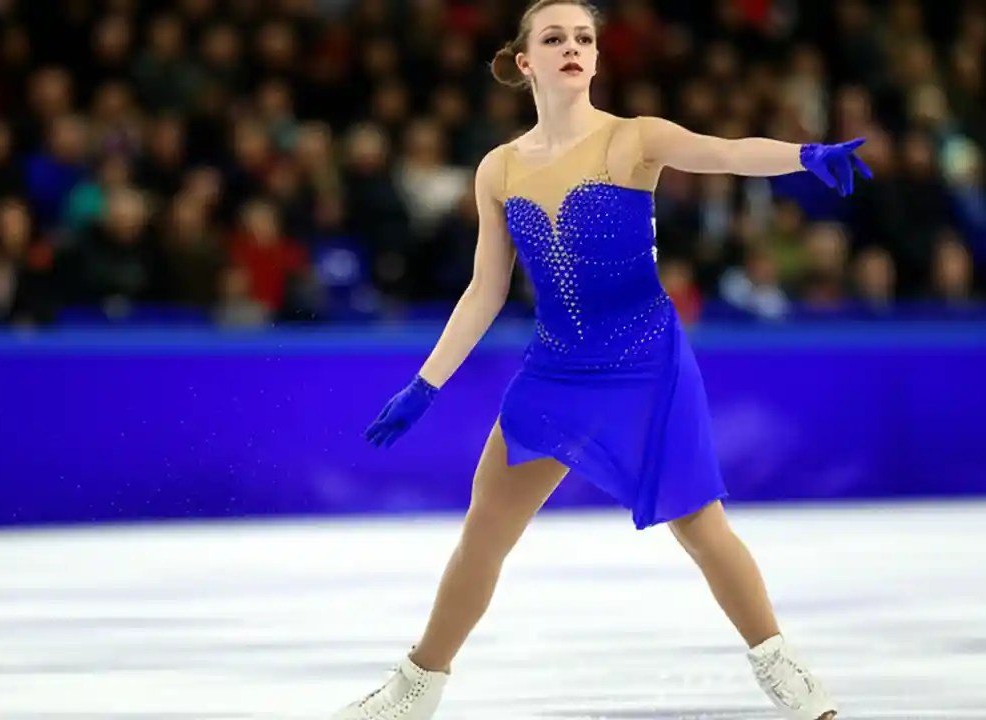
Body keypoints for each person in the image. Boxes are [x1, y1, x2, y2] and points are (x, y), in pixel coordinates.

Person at [333, 2, 870, 719]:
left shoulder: (632, 139)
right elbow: (485, 290)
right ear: (525, 62)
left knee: (699, 524)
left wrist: (803, 156)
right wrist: (424, 386)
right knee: (484, 530)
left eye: (583, 37)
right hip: (556, 368)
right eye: (554, 38)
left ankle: (789, 677)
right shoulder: (498, 170)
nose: (572, 48)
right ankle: (414, 690)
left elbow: (729, 151)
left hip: (647, 361)